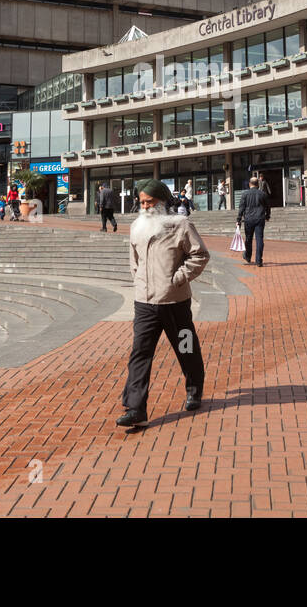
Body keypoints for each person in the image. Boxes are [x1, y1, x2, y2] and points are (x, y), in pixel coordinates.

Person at [117, 179, 211, 428]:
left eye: (150, 202)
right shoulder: (137, 226)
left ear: (162, 201)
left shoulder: (180, 225)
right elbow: (134, 260)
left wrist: (178, 278)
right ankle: (135, 408)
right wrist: (138, 281)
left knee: (186, 347)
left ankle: (194, 389)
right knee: (140, 353)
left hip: (174, 300)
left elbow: (200, 255)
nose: (145, 206)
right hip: (145, 303)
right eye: (142, 202)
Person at [236, 176, 270, 267]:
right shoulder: (263, 194)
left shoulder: (245, 194)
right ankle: (258, 260)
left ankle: (247, 256)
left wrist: (238, 219)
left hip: (248, 219)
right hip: (260, 219)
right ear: (258, 184)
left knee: (248, 239)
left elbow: (241, 208)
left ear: (249, 184)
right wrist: (267, 216)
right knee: (259, 240)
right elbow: (268, 207)